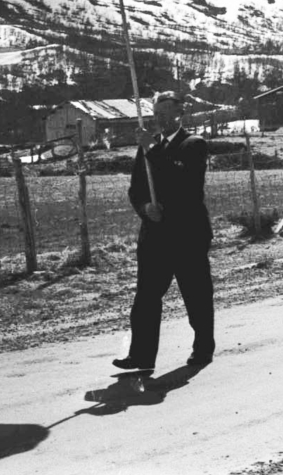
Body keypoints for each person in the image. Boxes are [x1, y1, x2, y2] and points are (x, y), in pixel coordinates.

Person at [114, 91, 214, 371]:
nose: (159, 119)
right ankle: (141, 356)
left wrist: (152, 150)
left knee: (196, 294)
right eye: (156, 114)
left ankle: (203, 348)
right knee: (146, 295)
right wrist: (145, 207)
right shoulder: (148, 147)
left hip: (187, 234)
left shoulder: (193, 144)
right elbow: (135, 188)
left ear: (179, 114)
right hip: (155, 234)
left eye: (166, 114)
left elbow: (184, 183)